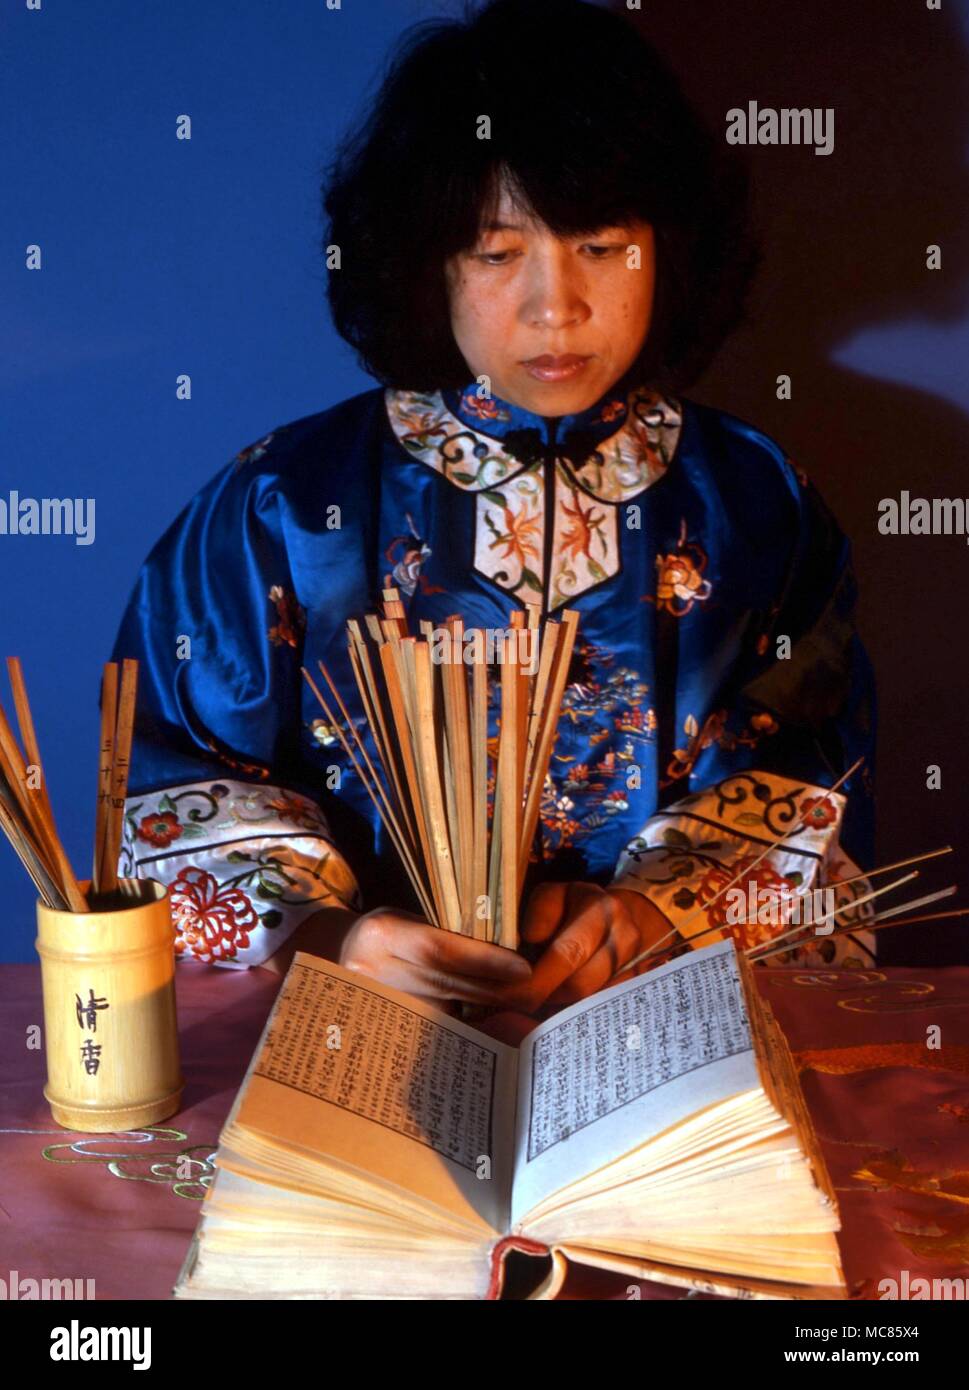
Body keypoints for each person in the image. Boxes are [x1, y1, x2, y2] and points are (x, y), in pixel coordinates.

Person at [110, 0, 877, 1015]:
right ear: (426, 263)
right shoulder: (283, 506)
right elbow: (168, 773)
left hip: (658, 1029)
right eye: (496, 251)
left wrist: (662, 913)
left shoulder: (756, 505)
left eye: (600, 247)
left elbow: (812, 762)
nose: (554, 307)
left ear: (668, 249)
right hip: (367, 1031)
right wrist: (336, 937)